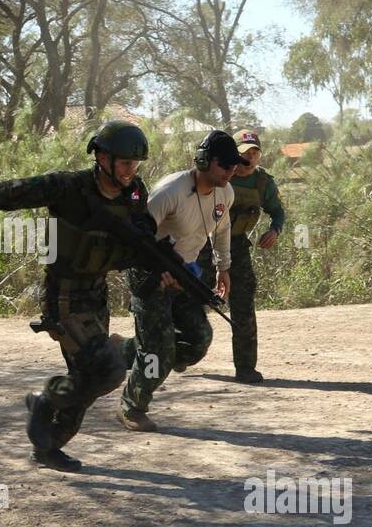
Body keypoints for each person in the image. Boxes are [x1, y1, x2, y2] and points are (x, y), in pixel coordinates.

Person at [0, 121, 155, 472]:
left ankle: (48, 445)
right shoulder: (67, 188)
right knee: (109, 370)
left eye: (135, 164)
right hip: (64, 298)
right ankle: (44, 400)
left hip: (98, 297)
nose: (131, 171)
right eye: (125, 163)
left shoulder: (134, 195)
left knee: (86, 380)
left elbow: (144, 235)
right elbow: (1, 193)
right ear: (102, 158)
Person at [118, 129, 243, 430]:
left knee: (199, 340)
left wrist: (223, 268)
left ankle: (122, 350)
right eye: (225, 165)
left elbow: (223, 230)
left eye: (234, 165)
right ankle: (131, 406)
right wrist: (158, 272)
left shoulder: (225, 193)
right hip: (151, 274)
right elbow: (136, 238)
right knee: (159, 352)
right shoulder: (170, 192)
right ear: (205, 162)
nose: (231, 171)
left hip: (185, 274)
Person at [226, 130, 286, 383]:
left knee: (243, 305)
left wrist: (274, 230)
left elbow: (277, 212)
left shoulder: (263, 183)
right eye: (244, 153)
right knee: (188, 305)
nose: (249, 158)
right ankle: (176, 353)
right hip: (202, 247)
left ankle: (246, 368)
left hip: (237, 247)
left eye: (254, 153)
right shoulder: (221, 176)